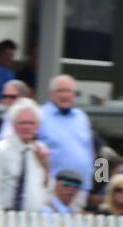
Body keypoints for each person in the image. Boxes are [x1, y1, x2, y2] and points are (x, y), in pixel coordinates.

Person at [0, 98, 50, 212]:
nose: (26, 127)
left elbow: (46, 187)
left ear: (38, 126)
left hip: (35, 220)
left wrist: (46, 165)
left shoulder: (41, 150)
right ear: (13, 125)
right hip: (6, 220)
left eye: (31, 123)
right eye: (22, 122)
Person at [38, 74, 94, 208]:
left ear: (74, 95)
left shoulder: (82, 117)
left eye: (68, 91)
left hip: (80, 189)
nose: (65, 95)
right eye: (60, 91)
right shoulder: (40, 115)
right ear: (51, 94)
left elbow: (91, 152)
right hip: (52, 189)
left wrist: (94, 184)